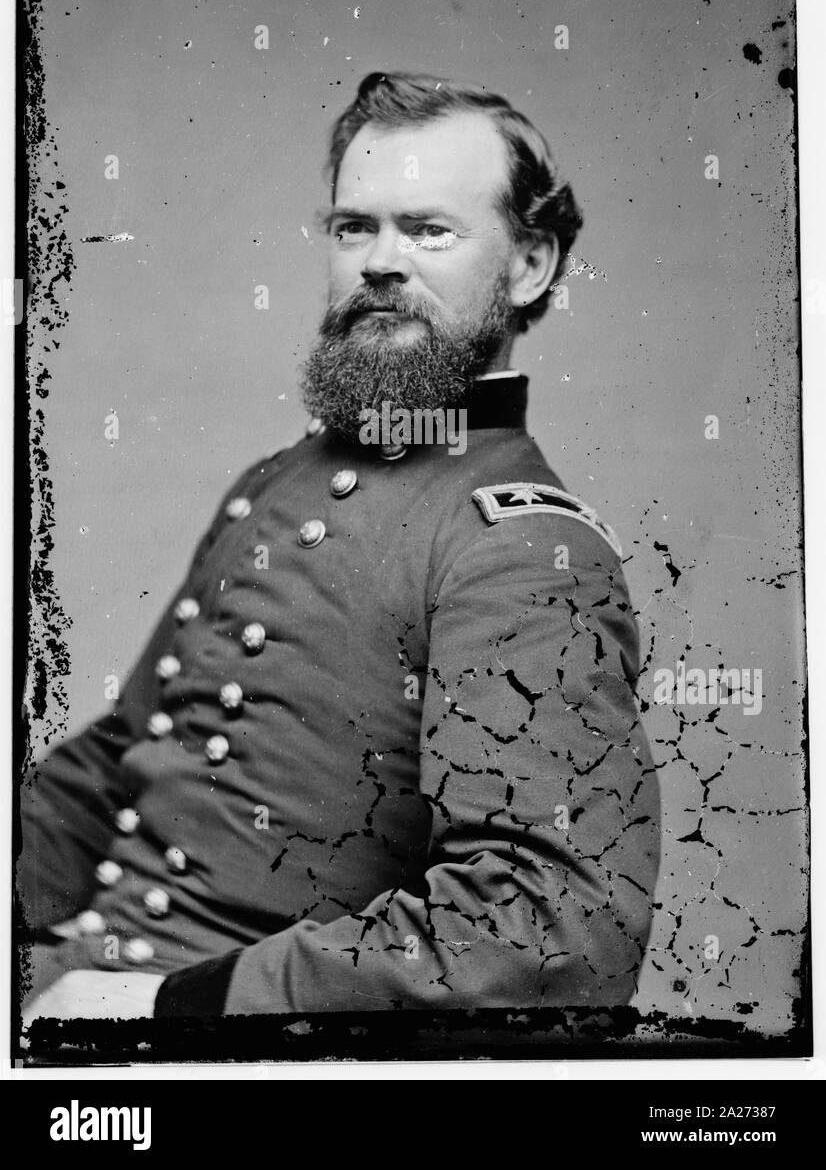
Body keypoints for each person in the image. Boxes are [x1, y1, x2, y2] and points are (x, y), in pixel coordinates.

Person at [18, 71, 660, 1021]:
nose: (378, 261)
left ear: (531, 265)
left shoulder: (522, 548)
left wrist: (161, 1009)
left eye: (427, 230)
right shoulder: (274, 479)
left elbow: (548, 928)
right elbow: (121, 757)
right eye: (354, 227)